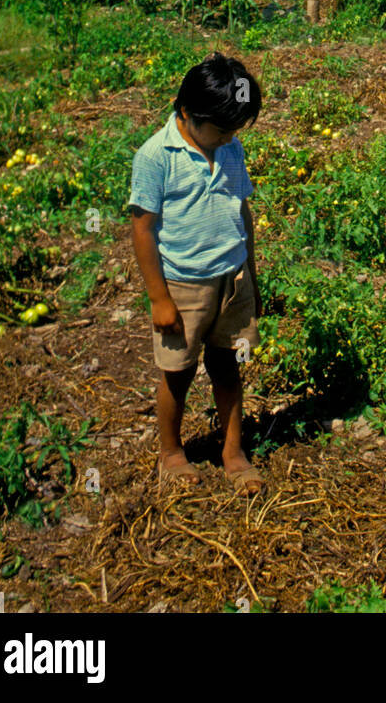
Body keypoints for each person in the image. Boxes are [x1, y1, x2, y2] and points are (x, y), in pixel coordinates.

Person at [129, 53, 264, 492]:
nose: (228, 138)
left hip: (233, 278)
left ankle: (232, 451)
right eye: (222, 130)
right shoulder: (155, 157)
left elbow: (242, 210)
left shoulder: (229, 148)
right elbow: (143, 230)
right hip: (183, 285)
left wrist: (252, 276)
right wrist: (159, 298)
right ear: (187, 112)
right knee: (178, 371)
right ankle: (171, 451)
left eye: (234, 131)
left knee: (228, 367)